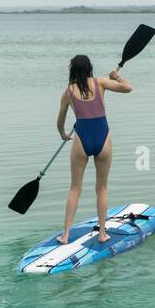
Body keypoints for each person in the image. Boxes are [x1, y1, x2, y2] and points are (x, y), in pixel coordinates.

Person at [55, 54, 132, 244]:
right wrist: (117, 76)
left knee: (75, 188)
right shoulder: (101, 83)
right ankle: (103, 234)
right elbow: (128, 88)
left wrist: (63, 134)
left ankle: (65, 235)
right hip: (103, 138)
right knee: (102, 187)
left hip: (81, 140)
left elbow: (59, 123)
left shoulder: (68, 92)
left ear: (72, 71)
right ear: (90, 68)